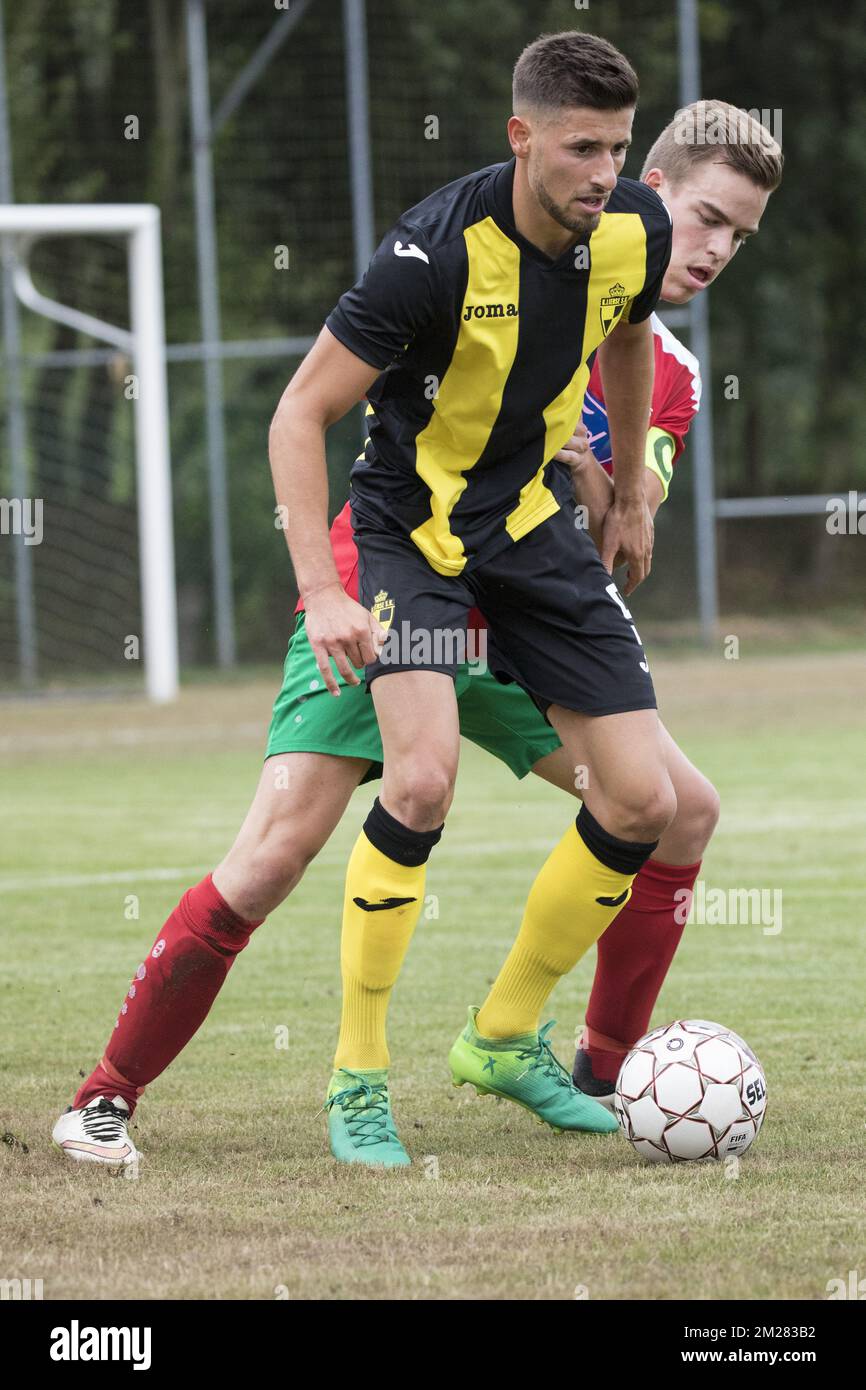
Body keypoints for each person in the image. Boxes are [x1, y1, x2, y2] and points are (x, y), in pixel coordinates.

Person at [52, 78, 781, 1169]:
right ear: (647, 185)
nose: (716, 248)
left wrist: (609, 484)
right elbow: (325, 410)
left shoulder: (661, 363)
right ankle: (108, 1092)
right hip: (394, 583)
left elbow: (613, 510)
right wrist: (327, 585)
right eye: (707, 218)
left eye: (739, 234)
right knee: (278, 853)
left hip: (513, 606)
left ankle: (581, 1062)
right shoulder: (470, 254)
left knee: (673, 807)